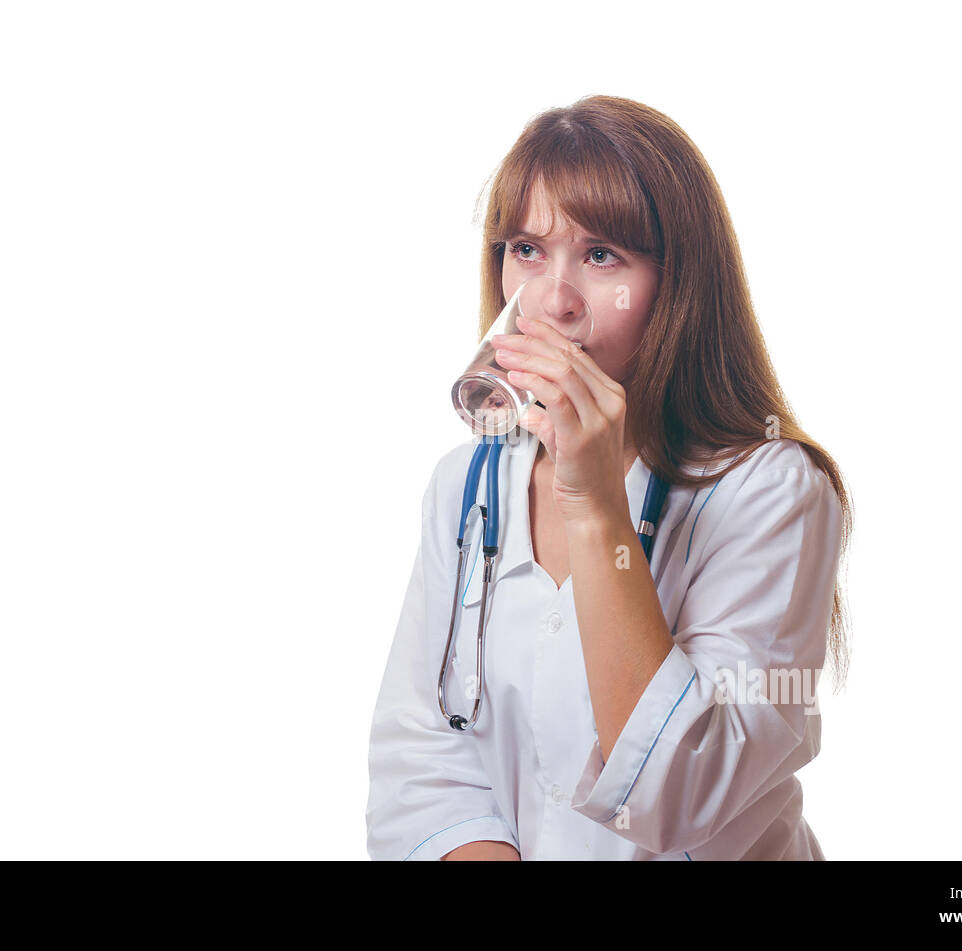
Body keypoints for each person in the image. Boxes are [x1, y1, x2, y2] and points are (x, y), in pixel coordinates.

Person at [365, 95, 852, 861]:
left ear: (679, 287)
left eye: (601, 257)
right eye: (527, 248)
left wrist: (594, 506)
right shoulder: (466, 486)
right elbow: (422, 763)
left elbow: (682, 792)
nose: (551, 303)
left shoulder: (772, 491)